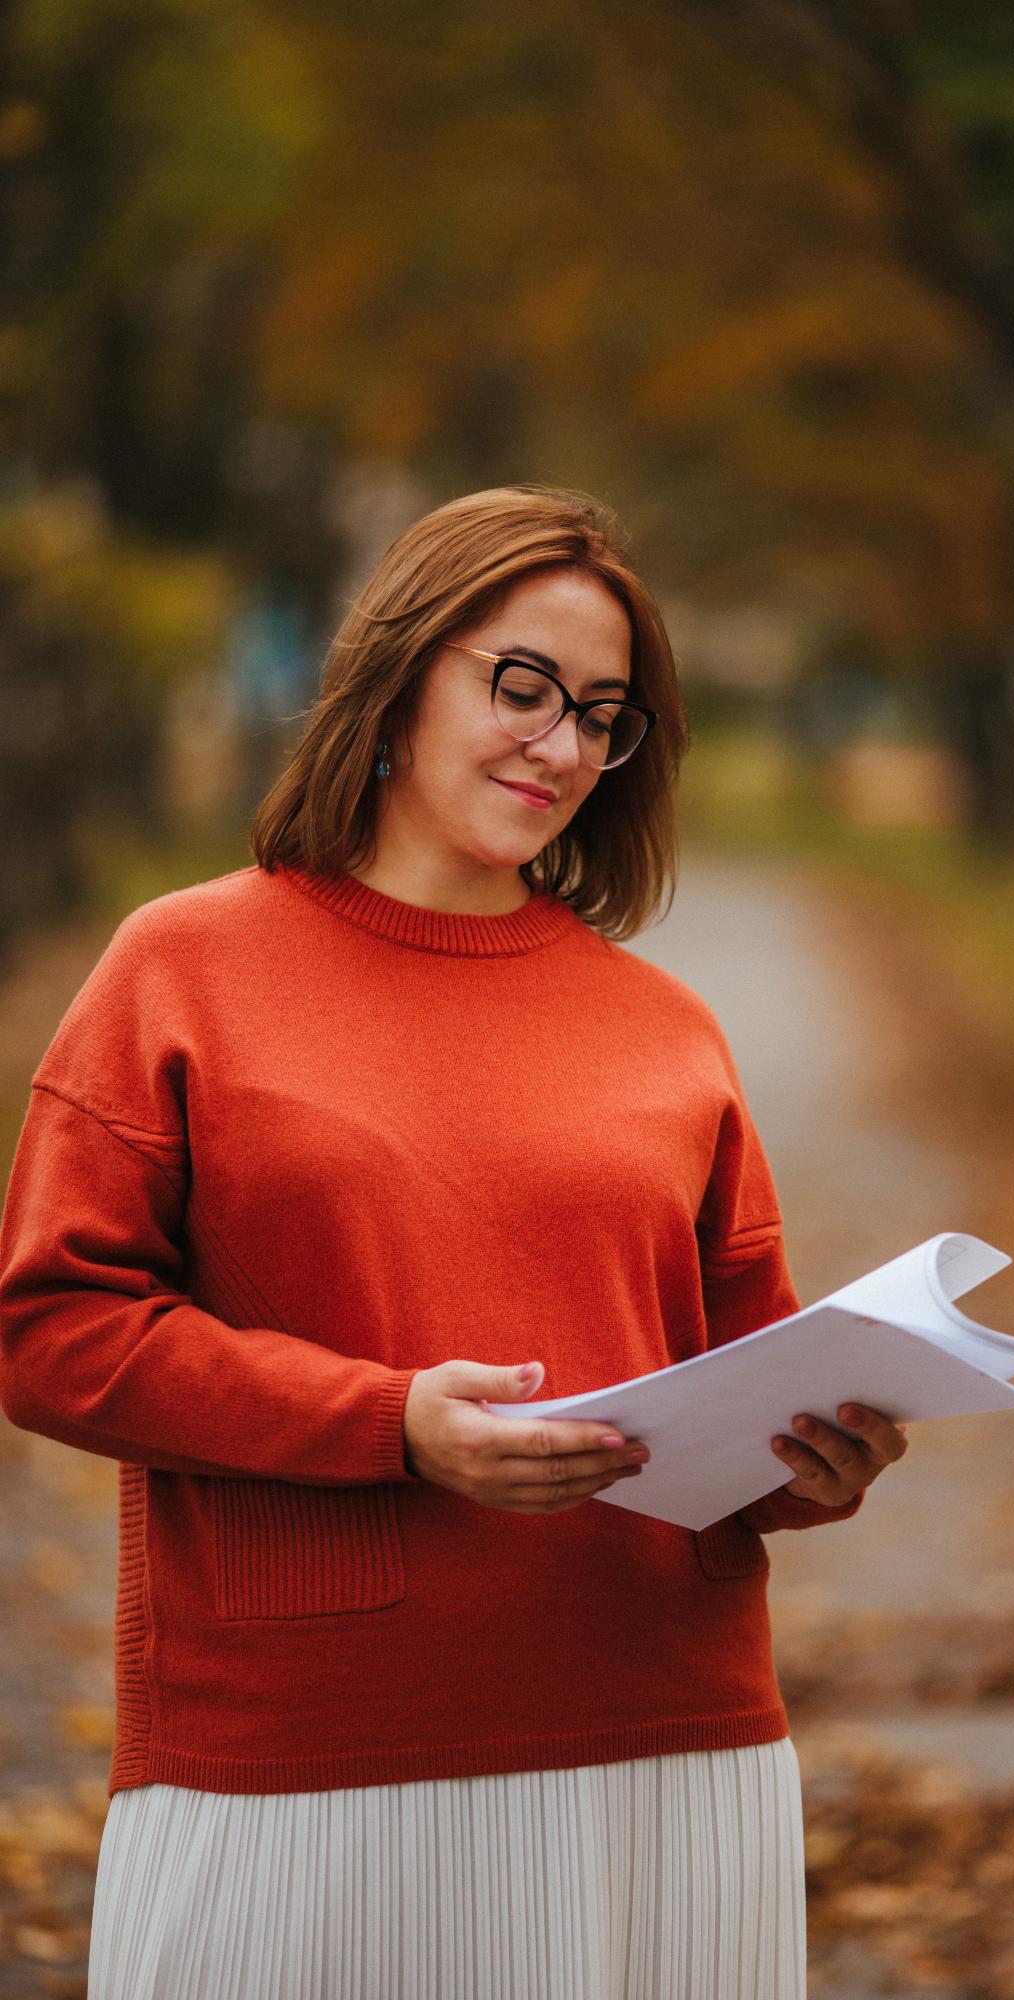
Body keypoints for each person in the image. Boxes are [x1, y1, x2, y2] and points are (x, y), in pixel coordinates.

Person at [0, 483, 910, 2000]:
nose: (558, 745)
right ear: (399, 671)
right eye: (521, 685)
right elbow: (50, 1334)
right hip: (301, 1756)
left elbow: (748, 1366)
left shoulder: (662, 1027)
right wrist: (390, 1427)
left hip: (663, 1739)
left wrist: (823, 1462)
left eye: (601, 713)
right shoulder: (183, 968)